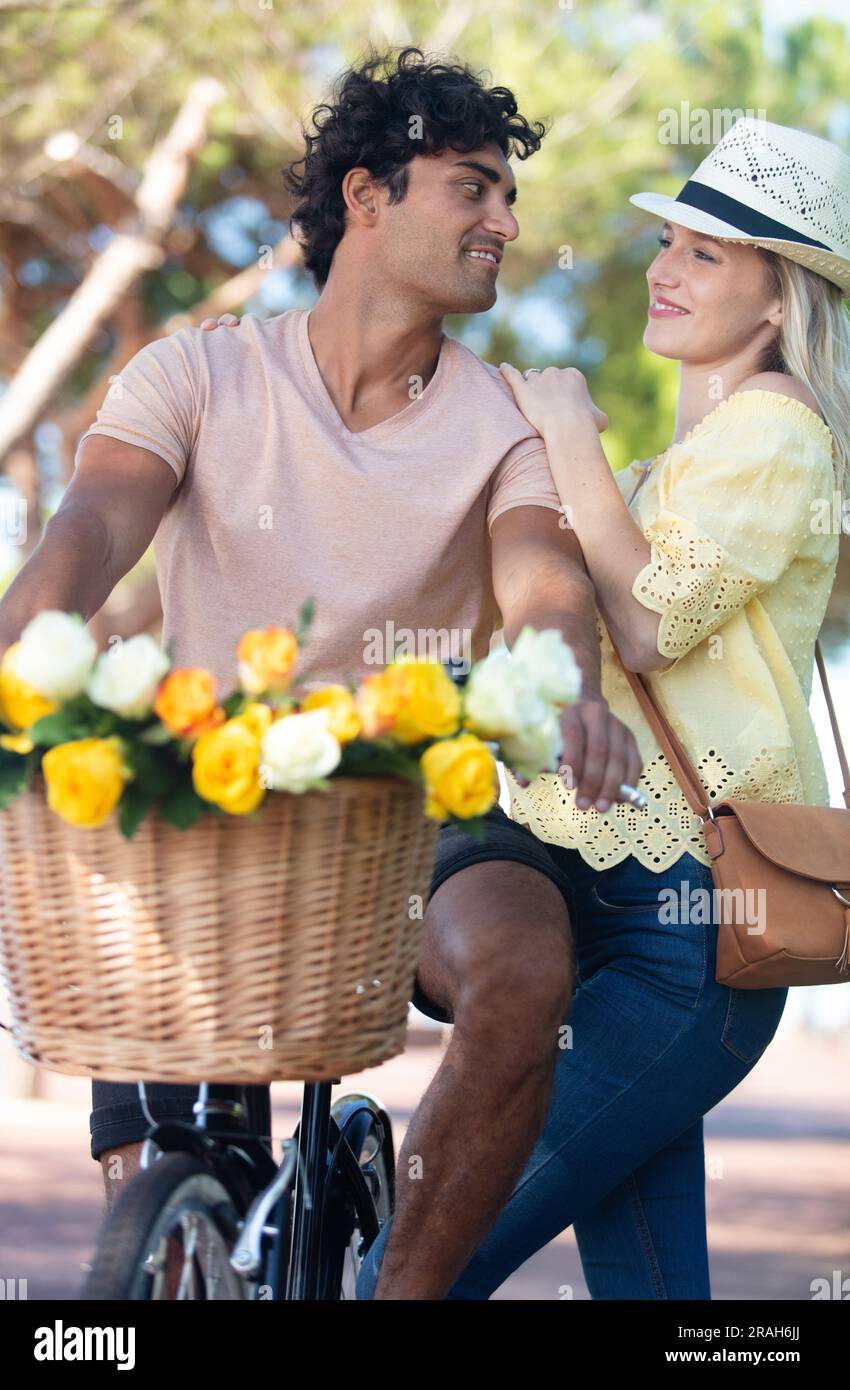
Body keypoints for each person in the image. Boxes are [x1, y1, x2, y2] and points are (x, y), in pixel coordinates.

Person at [0, 46, 640, 1301]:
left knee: (523, 969)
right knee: (159, 1182)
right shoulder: (197, 371)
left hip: (417, 812)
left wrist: (569, 687)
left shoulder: (499, 415)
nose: (506, 222)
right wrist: (19, 633)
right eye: (474, 188)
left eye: (510, 197)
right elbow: (94, 526)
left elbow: (542, 582)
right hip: (203, 809)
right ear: (366, 195)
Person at [355, 115, 850, 1298]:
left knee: (423, 1259)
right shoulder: (675, 467)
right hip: (617, 906)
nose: (660, 271)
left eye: (703, 255)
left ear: (777, 299)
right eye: (665, 244)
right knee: (648, 1286)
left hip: (683, 933)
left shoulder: (778, 429)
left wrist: (569, 435)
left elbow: (642, 619)